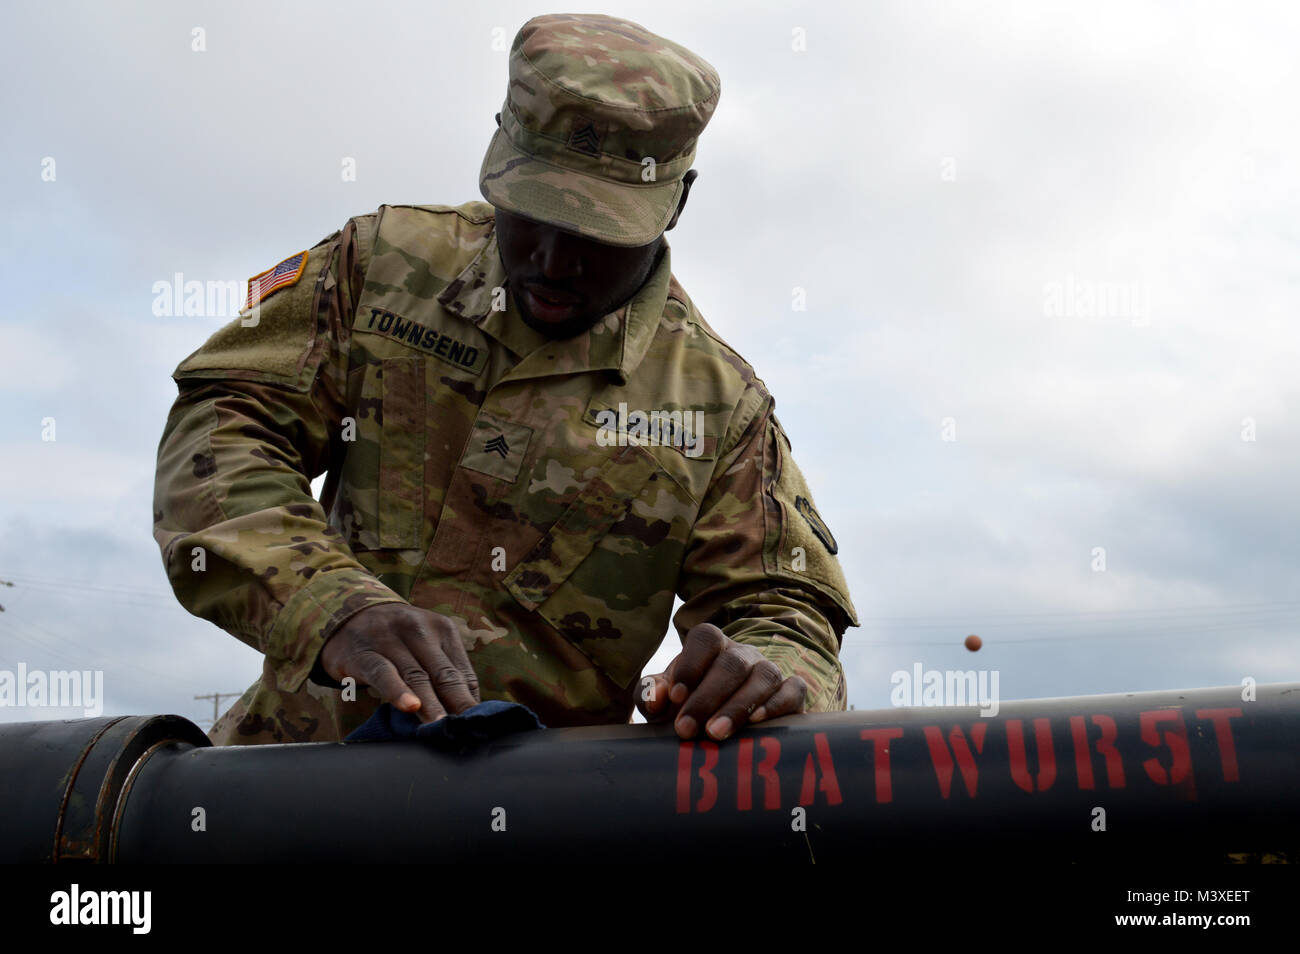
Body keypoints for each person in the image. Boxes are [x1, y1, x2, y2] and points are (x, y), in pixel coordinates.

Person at [152, 13, 858, 746]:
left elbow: (784, 609)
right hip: (287, 782)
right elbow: (226, 428)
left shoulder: (719, 406)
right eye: (532, 213)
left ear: (674, 204)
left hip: (536, 821)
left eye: (598, 233)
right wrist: (329, 606)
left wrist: (770, 671)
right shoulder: (380, 268)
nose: (553, 261)